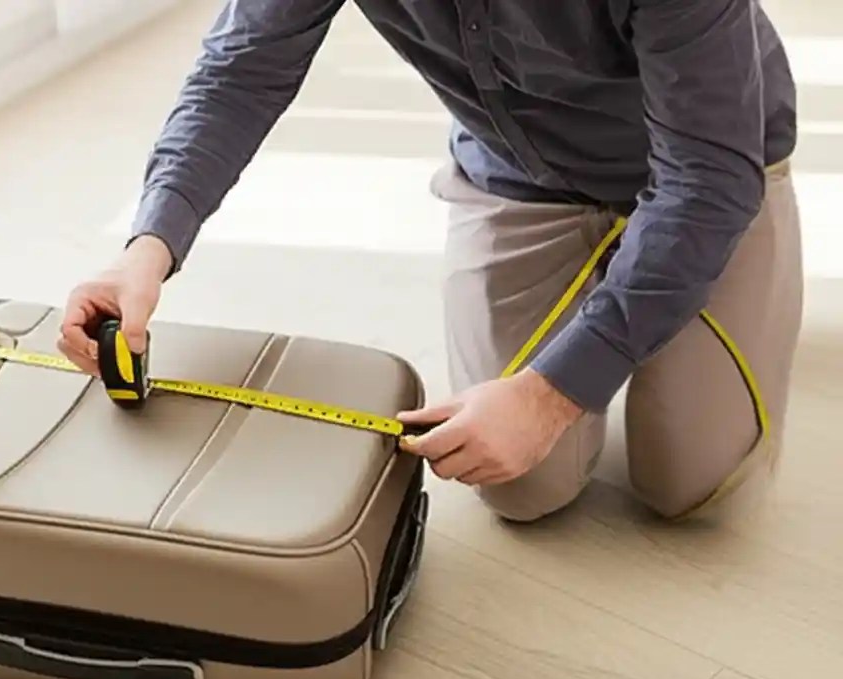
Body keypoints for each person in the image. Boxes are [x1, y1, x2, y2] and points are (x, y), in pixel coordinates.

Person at [57, 0, 802, 522]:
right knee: (521, 488)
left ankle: (735, 272)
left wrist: (552, 394)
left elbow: (705, 181)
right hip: (523, 173)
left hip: (710, 164)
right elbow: (240, 70)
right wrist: (147, 249)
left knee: (694, 487)